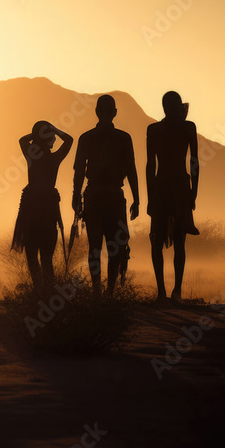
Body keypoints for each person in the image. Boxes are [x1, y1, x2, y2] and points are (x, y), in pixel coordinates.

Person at [72, 95, 139, 296]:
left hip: (95, 196)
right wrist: (137, 199)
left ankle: (99, 291)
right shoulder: (123, 138)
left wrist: (76, 196)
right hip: (111, 197)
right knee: (114, 247)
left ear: (97, 112)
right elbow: (131, 170)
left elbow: (78, 172)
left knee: (98, 246)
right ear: (115, 113)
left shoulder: (87, 138)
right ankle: (107, 291)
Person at [146, 91, 199, 302]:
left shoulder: (186, 128)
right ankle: (163, 291)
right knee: (159, 240)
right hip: (168, 187)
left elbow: (193, 161)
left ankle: (173, 291)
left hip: (174, 187)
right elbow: (151, 165)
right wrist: (150, 197)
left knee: (177, 240)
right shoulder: (158, 129)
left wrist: (193, 192)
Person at [11, 121, 72, 292]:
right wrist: (53, 129)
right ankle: (47, 290)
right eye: (51, 137)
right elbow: (69, 140)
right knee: (46, 256)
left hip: (31, 208)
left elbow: (23, 140)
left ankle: (38, 289)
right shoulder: (54, 159)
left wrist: (37, 132)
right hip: (48, 209)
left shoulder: (32, 156)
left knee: (31, 252)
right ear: (48, 139)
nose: (53, 140)